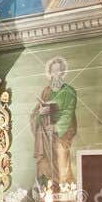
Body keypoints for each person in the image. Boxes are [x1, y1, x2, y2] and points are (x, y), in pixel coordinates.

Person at [32, 57, 78, 187]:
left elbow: (68, 112)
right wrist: (41, 113)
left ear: (62, 72)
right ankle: (46, 187)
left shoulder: (69, 91)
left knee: (61, 159)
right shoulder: (46, 91)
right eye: (53, 71)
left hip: (61, 134)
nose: (55, 74)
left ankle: (63, 187)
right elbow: (36, 113)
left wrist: (56, 127)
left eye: (58, 71)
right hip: (45, 134)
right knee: (45, 163)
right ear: (50, 73)